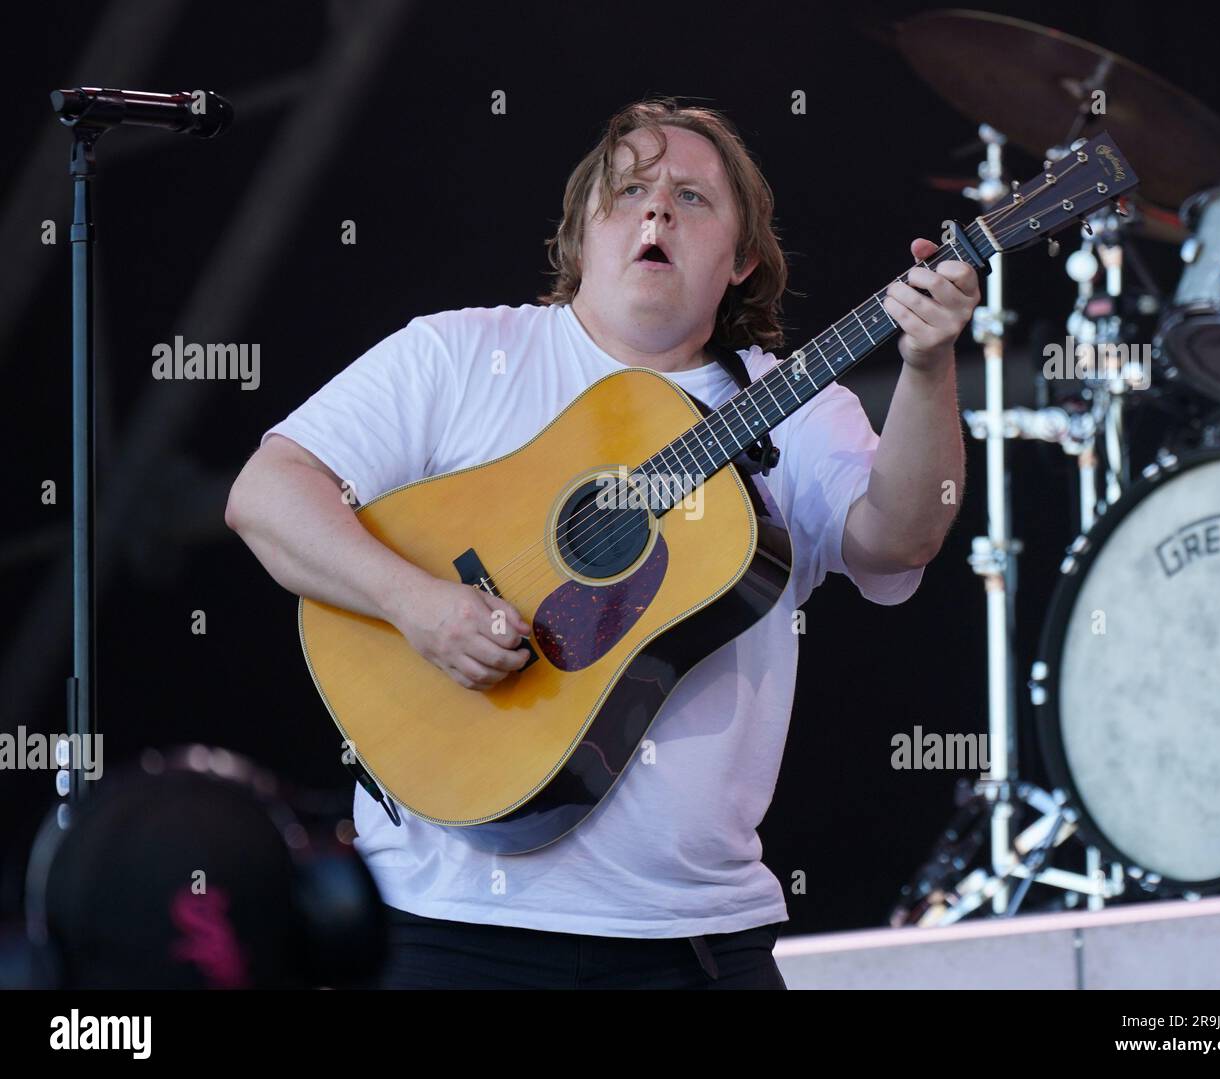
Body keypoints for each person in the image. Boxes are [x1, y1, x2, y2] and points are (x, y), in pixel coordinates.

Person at [224, 96, 976, 989]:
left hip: (697, 937)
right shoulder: (460, 354)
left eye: (692, 198)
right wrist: (418, 604)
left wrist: (928, 367)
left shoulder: (802, 406)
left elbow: (901, 539)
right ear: (582, 235)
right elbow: (267, 494)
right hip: (444, 922)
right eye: (627, 192)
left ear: (741, 260)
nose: (656, 211)